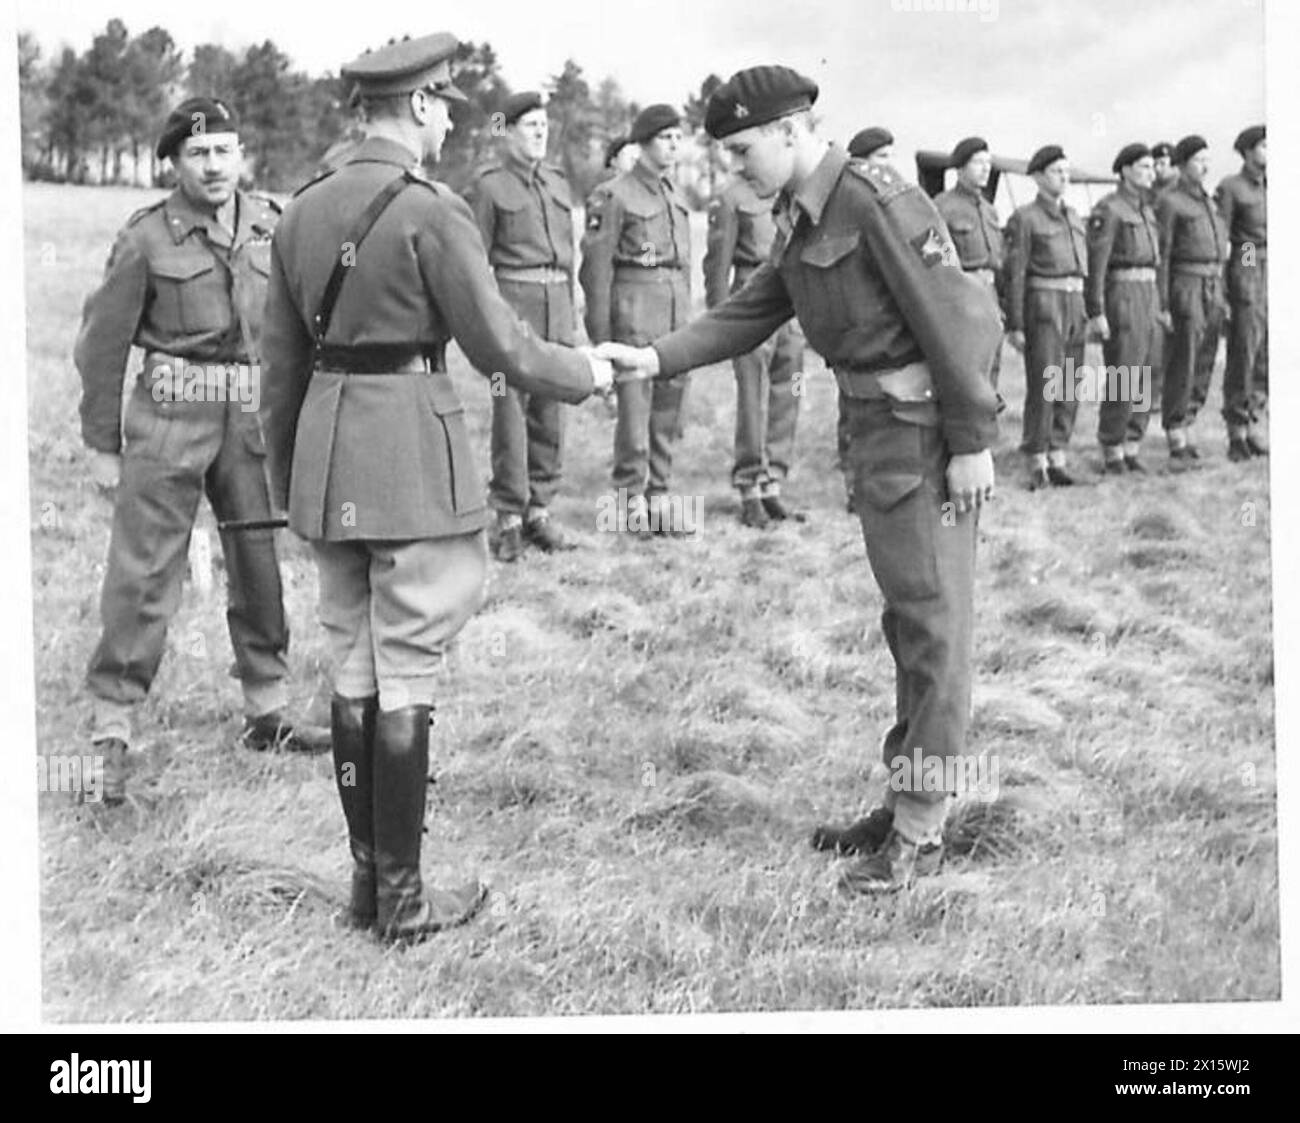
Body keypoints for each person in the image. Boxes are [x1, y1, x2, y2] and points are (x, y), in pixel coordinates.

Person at [598, 66, 1002, 892]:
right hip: (877, 441)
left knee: (937, 630)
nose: (733, 166)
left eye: (743, 148)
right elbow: (752, 307)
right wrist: (650, 356)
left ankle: (922, 829)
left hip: (923, 442)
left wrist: (972, 440)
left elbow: (957, 318)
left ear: (792, 130)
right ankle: (906, 798)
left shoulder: (873, 198)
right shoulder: (801, 213)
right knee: (908, 624)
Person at [260, 33, 615, 942]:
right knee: (407, 667)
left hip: (327, 457)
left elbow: (280, 368)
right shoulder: (433, 210)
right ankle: (406, 901)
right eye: (446, 105)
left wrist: (292, 483)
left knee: (353, 666)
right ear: (417, 106)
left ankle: (368, 887)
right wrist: (587, 372)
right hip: (410, 452)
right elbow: (499, 345)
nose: (453, 119)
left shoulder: (299, 211)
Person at [73, 96, 329, 806]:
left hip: (250, 420)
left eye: (224, 151)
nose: (214, 166)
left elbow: (295, 329)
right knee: (145, 570)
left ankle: (267, 706)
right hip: (168, 418)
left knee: (258, 562)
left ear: (241, 154)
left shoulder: (272, 227)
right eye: (197, 154)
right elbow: (101, 348)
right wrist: (102, 445)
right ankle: (113, 725)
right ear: (175, 163)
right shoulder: (147, 238)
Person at [464, 91, 580, 560]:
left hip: (557, 305)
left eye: (543, 125)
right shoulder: (490, 187)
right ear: (506, 132)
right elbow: (475, 264)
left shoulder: (557, 183)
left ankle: (540, 510)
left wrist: (574, 313)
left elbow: (570, 255)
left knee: (552, 409)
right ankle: (509, 514)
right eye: (529, 125)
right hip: (514, 303)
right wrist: (489, 324)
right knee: (511, 411)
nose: (539, 133)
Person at [580, 104, 694, 533]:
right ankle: (628, 507)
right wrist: (601, 339)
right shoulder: (616, 194)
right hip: (633, 317)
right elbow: (595, 270)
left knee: (667, 417)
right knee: (633, 424)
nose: (674, 145)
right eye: (666, 138)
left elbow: (683, 265)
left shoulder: (674, 196)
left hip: (672, 317)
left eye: (678, 138)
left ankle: (659, 500)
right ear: (643, 143)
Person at [703, 168, 805, 527]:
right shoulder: (733, 199)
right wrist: (720, 325)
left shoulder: (789, 191)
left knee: (787, 392)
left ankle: (773, 483)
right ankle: (749, 486)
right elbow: (718, 264)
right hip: (751, 295)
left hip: (791, 299)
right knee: (752, 397)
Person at [1003, 145, 1089, 489]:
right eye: (1056, 171)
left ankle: (1058, 454)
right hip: (1044, 303)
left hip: (1074, 301)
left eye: (1067, 172)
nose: (1064, 178)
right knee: (1045, 383)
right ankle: (1035, 456)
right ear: (1038, 177)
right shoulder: (1025, 218)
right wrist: (1017, 323)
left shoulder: (1074, 216)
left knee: (1069, 382)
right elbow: (1016, 273)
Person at [1085, 143, 1168, 475]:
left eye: (1152, 167)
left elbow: (1157, 263)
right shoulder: (1110, 210)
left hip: (1148, 295)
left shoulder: (1147, 211)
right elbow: (1097, 266)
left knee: (1149, 371)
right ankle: (1112, 446)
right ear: (1124, 170)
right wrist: (1097, 311)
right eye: (1144, 166)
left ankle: (1133, 444)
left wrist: (1160, 306)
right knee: (1124, 372)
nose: (1151, 172)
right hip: (1123, 295)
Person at [1155, 135, 1229, 461]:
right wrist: (1164, 304)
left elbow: (1229, 249)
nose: (1205, 165)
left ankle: (1189, 420)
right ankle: (1175, 432)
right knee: (1183, 358)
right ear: (1183, 165)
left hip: (1213, 284)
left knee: (1205, 357)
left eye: (1207, 159)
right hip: (1186, 285)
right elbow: (1163, 255)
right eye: (1198, 159)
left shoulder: (1210, 204)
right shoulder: (1170, 203)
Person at [834, 125, 896, 511]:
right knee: (853, 406)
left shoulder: (891, 205)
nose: (889, 166)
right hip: (854, 322)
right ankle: (853, 481)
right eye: (882, 158)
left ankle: (878, 478)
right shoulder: (848, 206)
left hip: (886, 321)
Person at [933, 137, 1006, 395]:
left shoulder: (990, 211)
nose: (986, 168)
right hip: (961, 298)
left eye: (988, 163)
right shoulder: (941, 206)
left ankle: (986, 429)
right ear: (960, 168)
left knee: (992, 365)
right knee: (965, 368)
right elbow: (933, 262)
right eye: (978, 162)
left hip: (990, 296)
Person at [1216, 125, 1267, 460]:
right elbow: (1227, 239)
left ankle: (1252, 423)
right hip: (1249, 268)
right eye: (1264, 146)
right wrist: (1241, 273)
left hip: (1274, 273)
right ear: (1248, 152)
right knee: (1244, 353)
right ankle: (1236, 433)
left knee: (1266, 356)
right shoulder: (1231, 187)